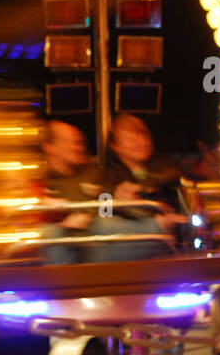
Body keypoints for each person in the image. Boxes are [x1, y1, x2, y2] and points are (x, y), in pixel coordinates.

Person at [93, 113, 187, 261]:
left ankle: (158, 228)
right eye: (131, 139)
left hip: (170, 233)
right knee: (103, 225)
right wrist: (119, 201)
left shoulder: (166, 165)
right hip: (134, 235)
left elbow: (174, 177)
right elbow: (104, 211)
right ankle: (157, 227)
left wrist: (141, 188)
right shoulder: (108, 176)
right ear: (115, 146)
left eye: (144, 136)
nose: (141, 142)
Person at [37, 120, 105, 265]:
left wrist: (90, 216)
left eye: (79, 142)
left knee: (108, 225)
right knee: (51, 233)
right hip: (61, 241)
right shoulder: (39, 179)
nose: (78, 147)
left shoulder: (93, 173)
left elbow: (110, 206)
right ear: (49, 147)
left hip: (95, 238)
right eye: (70, 142)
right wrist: (64, 224)